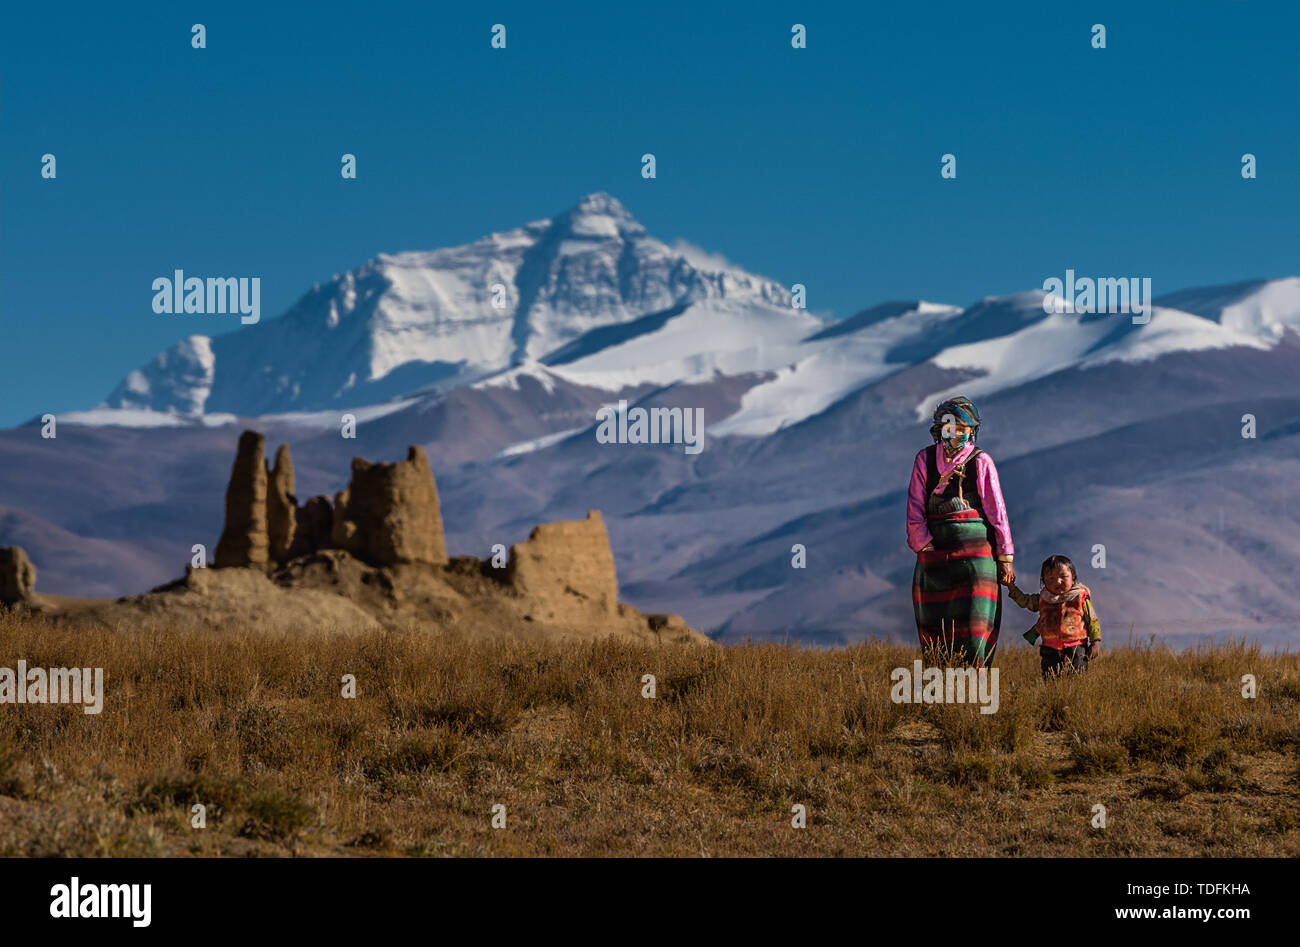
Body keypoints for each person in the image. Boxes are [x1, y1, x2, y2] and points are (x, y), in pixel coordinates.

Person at [906, 396, 1015, 666]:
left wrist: (1004, 557)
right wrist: (924, 546)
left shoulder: (981, 462)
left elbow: (996, 511)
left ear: (972, 430)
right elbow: (915, 507)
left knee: (975, 623)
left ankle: (974, 684)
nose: (952, 432)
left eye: (959, 426)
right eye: (947, 425)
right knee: (936, 624)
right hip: (934, 554)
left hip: (977, 556)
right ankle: (941, 685)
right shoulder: (924, 460)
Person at [1009, 554, 1102, 679]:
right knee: (1050, 679)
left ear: (1073, 577)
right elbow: (1025, 601)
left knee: (1076, 679)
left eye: (1063, 577)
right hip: (1049, 647)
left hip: (1076, 647)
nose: (1058, 582)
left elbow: (1092, 620)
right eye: (1051, 579)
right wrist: (1011, 586)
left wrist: (1095, 642)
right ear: (1043, 581)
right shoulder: (1044, 598)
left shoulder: (1079, 597)